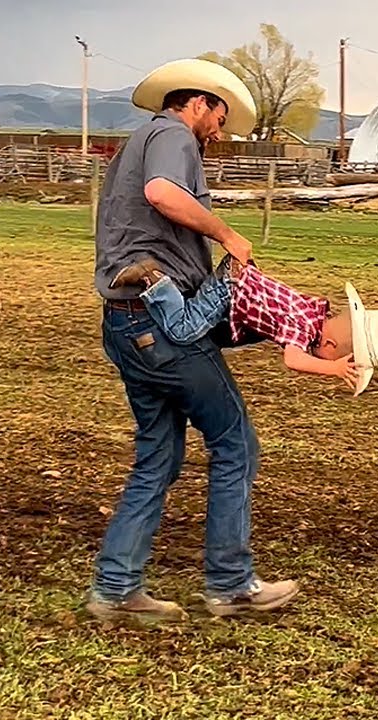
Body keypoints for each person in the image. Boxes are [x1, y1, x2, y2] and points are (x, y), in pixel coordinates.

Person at [87, 57, 300, 622]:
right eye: (221, 118)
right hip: (162, 323)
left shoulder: (140, 140)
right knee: (235, 443)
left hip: (126, 323)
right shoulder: (171, 134)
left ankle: (115, 590)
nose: (221, 132)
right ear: (199, 102)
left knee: (158, 456)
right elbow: (162, 193)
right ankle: (230, 585)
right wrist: (228, 234)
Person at [110, 254, 378, 395]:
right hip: (231, 288)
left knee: (205, 329)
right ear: (329, 345)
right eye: (332, 357)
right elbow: (293, 359)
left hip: (239, 279)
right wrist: (332, 369)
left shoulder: (314, 310)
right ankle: (153, 278)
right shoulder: (305, 328)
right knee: (183, 329)